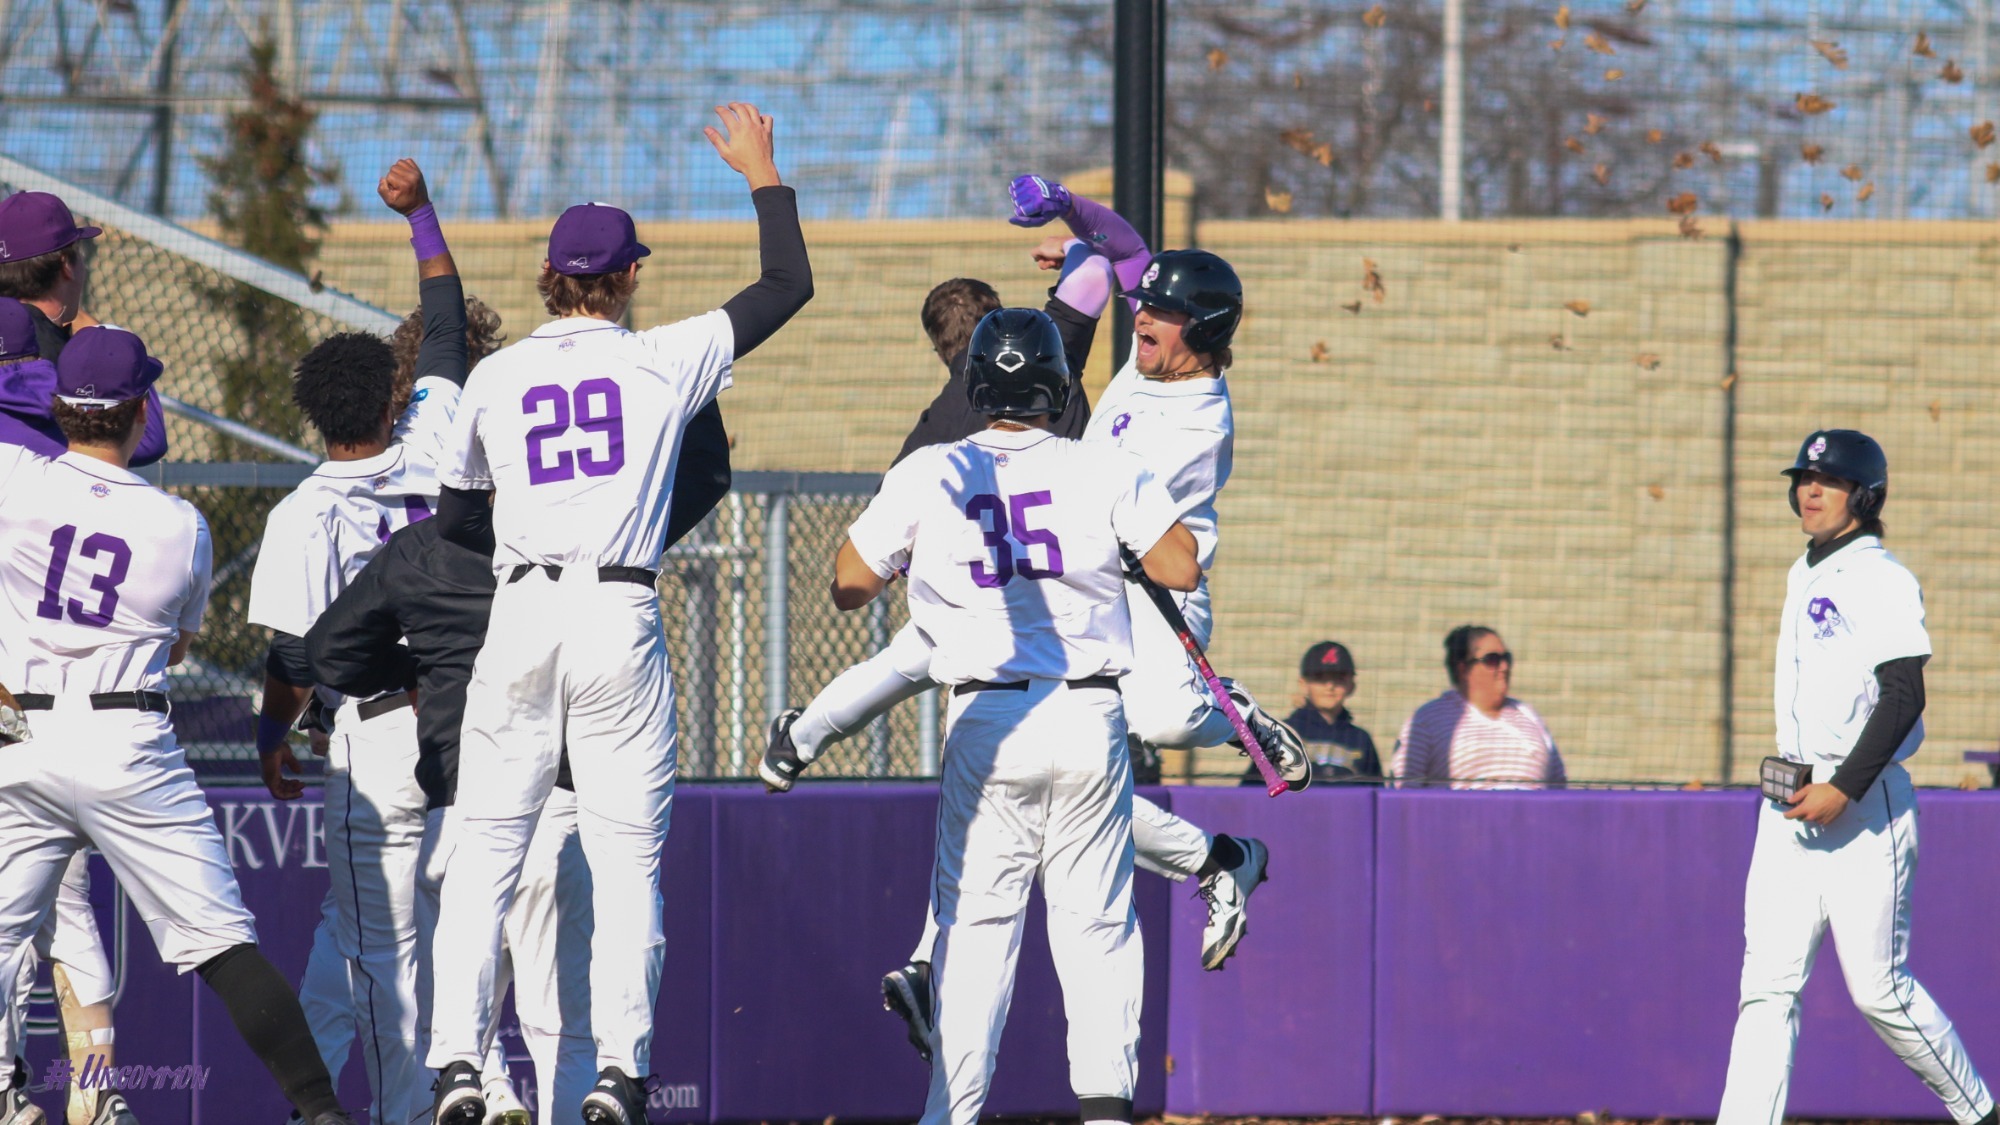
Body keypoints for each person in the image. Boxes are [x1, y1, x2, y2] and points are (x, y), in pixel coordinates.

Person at [760, 181, 1297, 1052]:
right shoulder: (1121, 366)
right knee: (1050, 769)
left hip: (1150, 591)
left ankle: (1228, 721)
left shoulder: (1195, 411)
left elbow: (1161, 545)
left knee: (1127, 726)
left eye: (1161, 311)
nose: (1146, 315)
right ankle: (1207, 863)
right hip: (1080, 581)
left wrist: (1079, 236)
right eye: (1146, 307)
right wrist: (1078, 227)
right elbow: (1127, 256)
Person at [425, 101, 811, 1125]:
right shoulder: (660, 358)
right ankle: (617, 1073)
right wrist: (762, 173)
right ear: (629, 275)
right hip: (615, 614)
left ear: (550, 279)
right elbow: (787, 285)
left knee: (484, 854)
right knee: (628, 857)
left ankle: (458, 1064)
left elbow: (456, 518)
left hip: (519, 609)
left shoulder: (496, 375)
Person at [833, 305, 1200, 1125]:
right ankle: (1105, 1112)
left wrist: (918, 563)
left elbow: (848, 583)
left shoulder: (932, 470)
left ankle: (951, 1115)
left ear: (975, 384)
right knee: (1097, 926)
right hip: (1086, 714)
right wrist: (1118, 544)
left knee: (976, 929)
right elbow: (1182, 565)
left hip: (986, 719)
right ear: (1057, 385)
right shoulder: (1100, 465)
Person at [0, 326, 355, 1125]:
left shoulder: (13, 482)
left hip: (23, 738)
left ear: (61, 409)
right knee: (222, 945)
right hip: (128, 741)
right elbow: (181, 642)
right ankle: (320, 1110)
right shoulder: (180, 524)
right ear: (137, 413)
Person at [244, 158, 506, 1125]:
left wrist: (271, 742)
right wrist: (422, 214)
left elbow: (292, 658)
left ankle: (414, 1108)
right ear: (395, 398)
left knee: (382, 948)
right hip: (471, 715)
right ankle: (472, 1080)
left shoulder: (304, 512)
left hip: (374, 735)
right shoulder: (437, 433)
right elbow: (443, 319)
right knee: (436, 920)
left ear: (314, 414)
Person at [1716, 430, 1996, 1125]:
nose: (1810, 490)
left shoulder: (1883, 576)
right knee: (1767, 987)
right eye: (1804, 478)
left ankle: (1980, 1114)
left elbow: (1905, 694)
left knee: (1880, 991)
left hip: (1865, 807)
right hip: (1789, 806)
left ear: (1864, 496)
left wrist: (1843, 784)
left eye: (1829, 481)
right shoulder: (1802, 568)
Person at [1390, 626, 1564, 789]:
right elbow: (1404, 789)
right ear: (1464, 669)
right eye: (1492, 660)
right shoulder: (1429, 719)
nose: (1504, 667)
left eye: (1507, 658)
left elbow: (1559, 786)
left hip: (1533, 819)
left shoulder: (1528, 714)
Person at [1244, 641, 1377, 785]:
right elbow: (1252, 791)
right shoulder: (1280, 734)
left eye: (1339, 678)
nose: (1330, 686)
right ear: (1303, 684)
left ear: (1351, 686)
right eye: (1319, 678)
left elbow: (1375, 793)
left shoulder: (1361, 740)